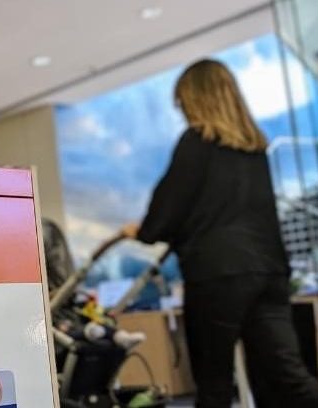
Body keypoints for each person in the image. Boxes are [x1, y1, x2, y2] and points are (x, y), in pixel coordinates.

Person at [122, 59, 318, 408]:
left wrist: (143, 231)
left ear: (196, 99)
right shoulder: (254, 148)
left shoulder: (196, 142)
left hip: (217, 275)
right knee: (287, 379)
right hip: (269, 272)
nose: (182, 110)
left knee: (214, 384)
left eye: (183, 102)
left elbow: (167, 211)